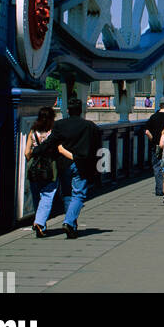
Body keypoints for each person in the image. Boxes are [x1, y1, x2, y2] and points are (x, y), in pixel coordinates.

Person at [33, 98, 102, 239]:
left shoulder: (59, 125)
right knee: (79, 194)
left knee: (68, 194)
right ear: (81, 110)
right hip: (82, 164)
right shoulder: (89, 126)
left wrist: (36, 151)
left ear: (68, 111)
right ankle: (69, 222)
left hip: (63, 164)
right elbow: (97, 146)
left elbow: (50, 142)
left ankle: (72, 224)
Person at [25, 106, 58, 234]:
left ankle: (38, 220)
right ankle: (39, 222)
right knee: (47, 195)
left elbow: (27, 152)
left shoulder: (33, 132)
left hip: (34, 166)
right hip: (50, 166)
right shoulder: (53, 132)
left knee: (36, 195)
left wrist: (32, 160)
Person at [143, 98, 164, 198]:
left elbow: (146, 132)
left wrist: (153, 139)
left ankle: (159, 189)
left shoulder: (153, 117)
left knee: (157, 167)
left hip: (156, 146)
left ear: (159, 105)